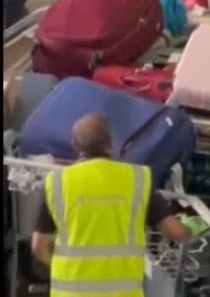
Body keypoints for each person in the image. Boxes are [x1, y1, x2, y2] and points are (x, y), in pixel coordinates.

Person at [30, 114, 194, 295]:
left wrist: (65, 268)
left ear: (75, 145)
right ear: (111, 144)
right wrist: (195, 229)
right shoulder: (137, 180)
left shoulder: (57, 183)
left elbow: (39, 247)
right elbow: (175, 232)